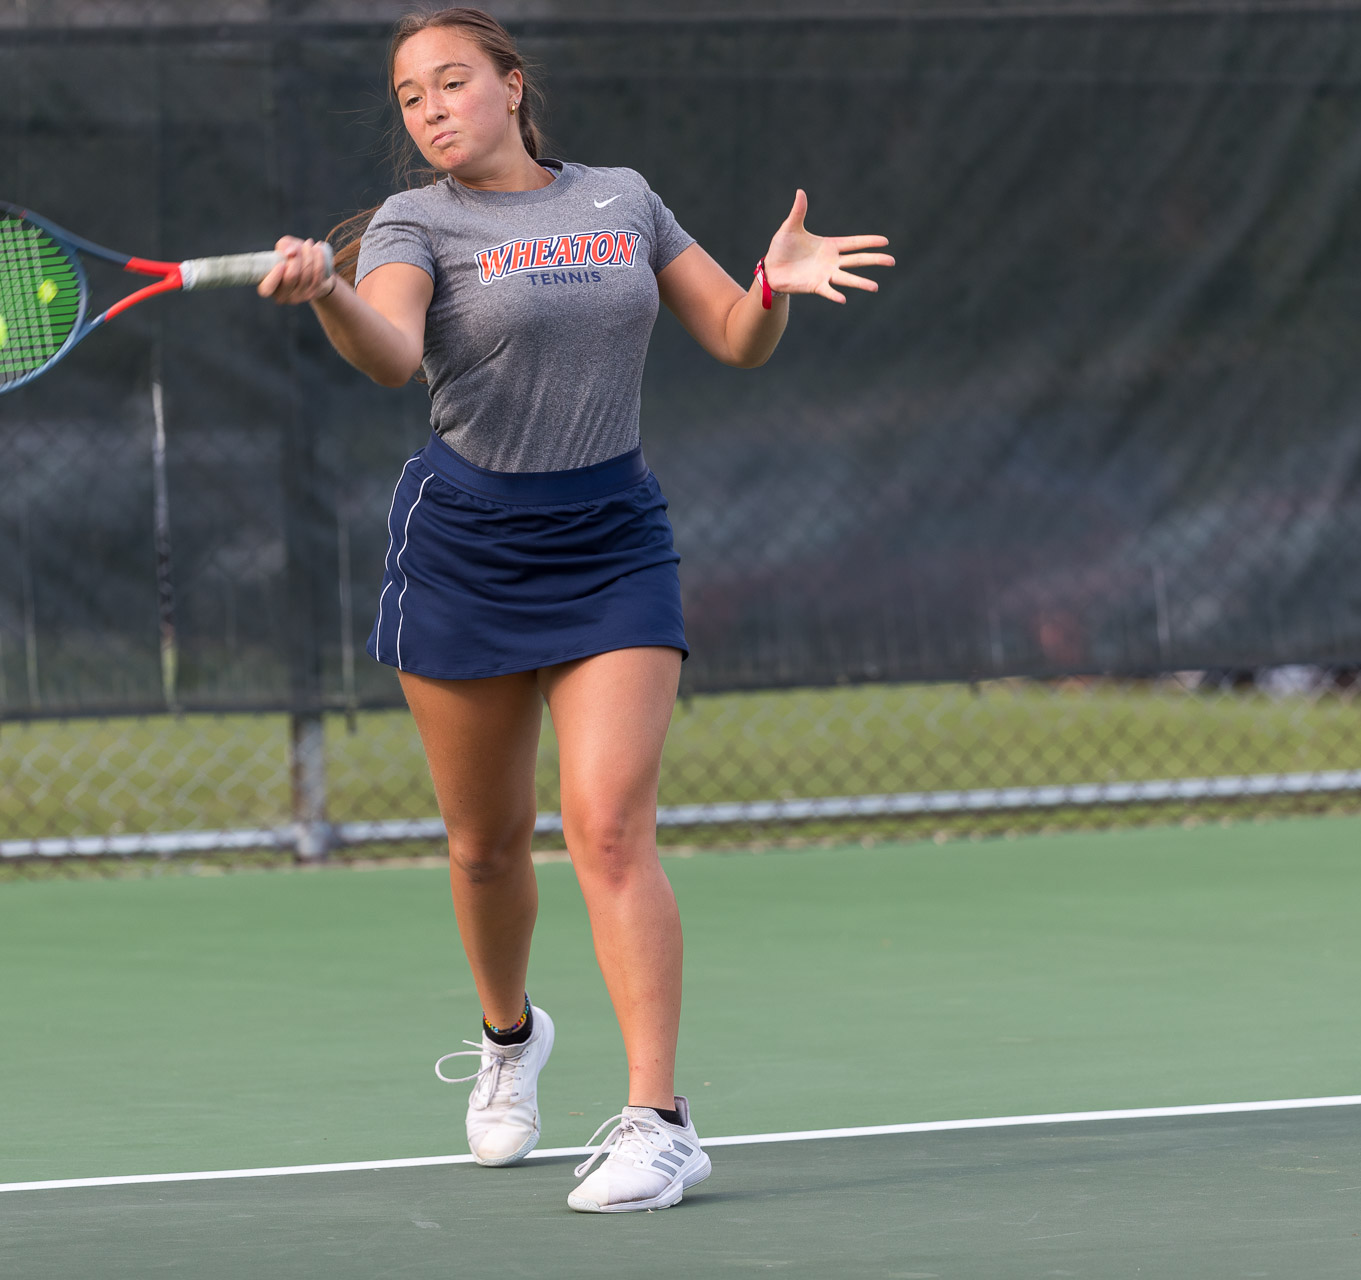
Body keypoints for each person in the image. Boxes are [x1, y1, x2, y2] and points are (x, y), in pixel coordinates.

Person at [259, 6, 891, 1214]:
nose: (432, 107)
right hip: (465, 549)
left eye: (453, 82)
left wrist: (775, 280)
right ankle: (509, 1038)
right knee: (485, 846)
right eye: (409, 97)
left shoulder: (621, 199)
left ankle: (661, 1120)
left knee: (607, 828)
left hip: (611, 543)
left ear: (510, 85)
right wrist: (334, 289)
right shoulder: (413, 224)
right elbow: (391, 353)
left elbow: (735, 337)